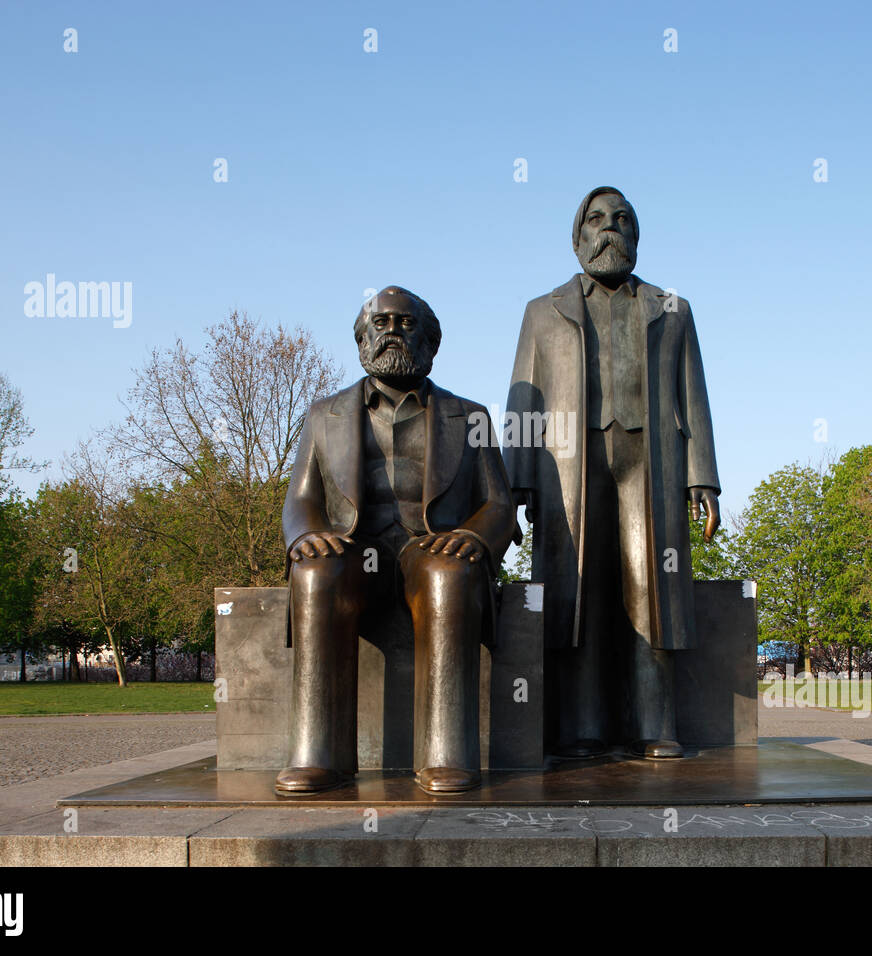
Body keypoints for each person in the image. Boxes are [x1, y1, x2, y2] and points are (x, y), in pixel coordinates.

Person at [504, 187, 722, 759]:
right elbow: (523, 400)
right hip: (568, 466)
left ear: (636, 235)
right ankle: (583, 729)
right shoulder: (541, 310)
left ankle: (656, 725)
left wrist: (702, 476)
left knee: (652, 588)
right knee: (580, 592)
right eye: (596, 220)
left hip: (652, 460)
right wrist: (517, 482)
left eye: (622, 219)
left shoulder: (672, 308)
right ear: (577, 238)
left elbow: (692, 396)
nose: (610, 229)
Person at [278, 287, 514, 794]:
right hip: (353, 550)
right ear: (362, 338)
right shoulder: (325, 415)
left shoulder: (469, 417)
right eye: (380, 323)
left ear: (431, 341)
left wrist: (474, 536)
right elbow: (300, 499)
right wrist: (305, 536)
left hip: (427, 548)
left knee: (449, 572)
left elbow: (499, 502)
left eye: (406, 323)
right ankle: (319, 756)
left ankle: (447, 753)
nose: (392, 332)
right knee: (316, 572)